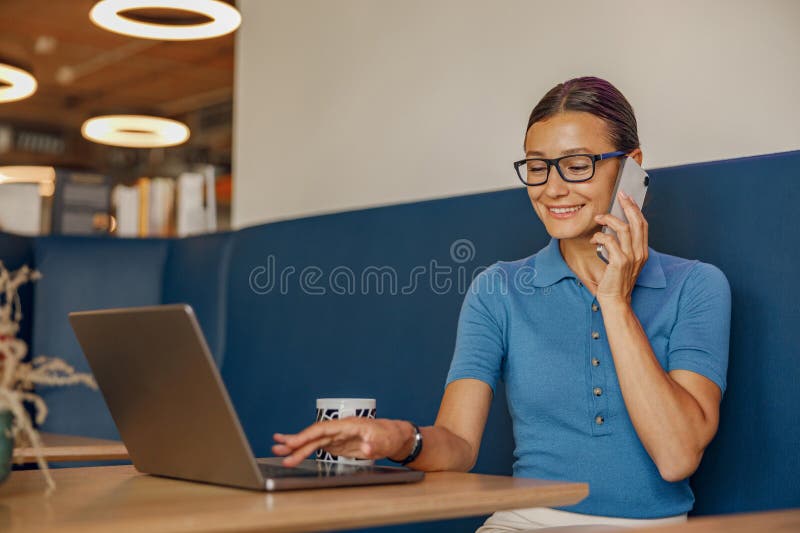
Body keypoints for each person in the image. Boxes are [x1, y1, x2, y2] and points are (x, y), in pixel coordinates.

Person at [271, 76, 732, 531]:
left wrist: (614, 301)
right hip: (525, 521)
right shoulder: (498, 289)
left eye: (576, 164)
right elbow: (457, 445)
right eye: (537, 166)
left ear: (631, 165)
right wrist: (398, 439)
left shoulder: (696, 287)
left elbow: (677, 457)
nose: (552, 188)